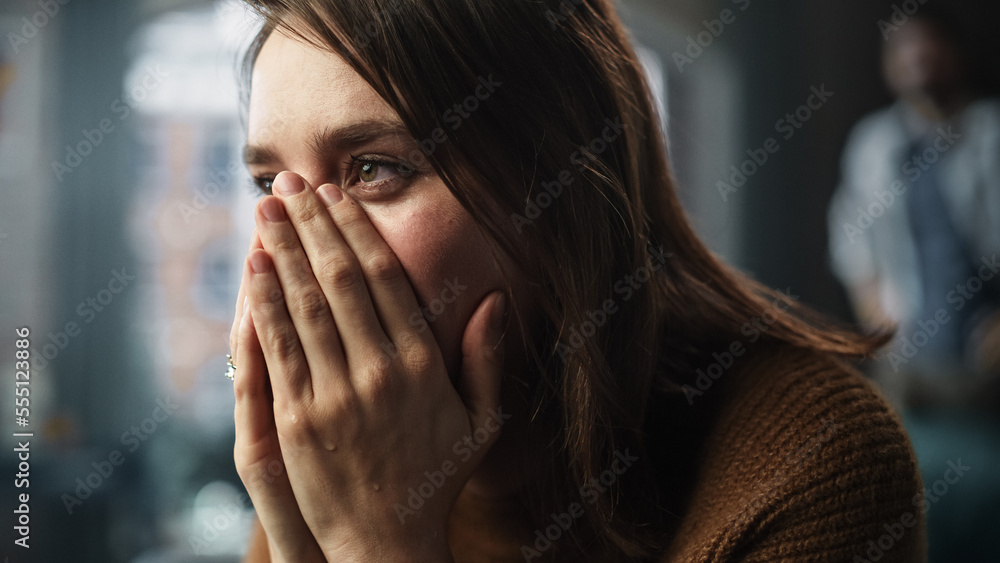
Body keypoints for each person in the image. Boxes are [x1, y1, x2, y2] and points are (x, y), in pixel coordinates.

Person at [228, 1, 924, 561]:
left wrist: (377, 543)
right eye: (269, 183)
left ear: (556, 184)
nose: (304, 260)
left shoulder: (807, 463)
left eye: (375, 167)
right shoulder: (333, 443)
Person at [828, 10, 1000, 561]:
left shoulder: (993, 132)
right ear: (888, 65)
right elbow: (851, 235)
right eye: (905, 49)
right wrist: (873, 302)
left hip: (985, 369)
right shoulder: (873, 144)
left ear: (956, 54)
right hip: (909, 368)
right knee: (907, 496)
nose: (919, 58)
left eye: (931, 46)